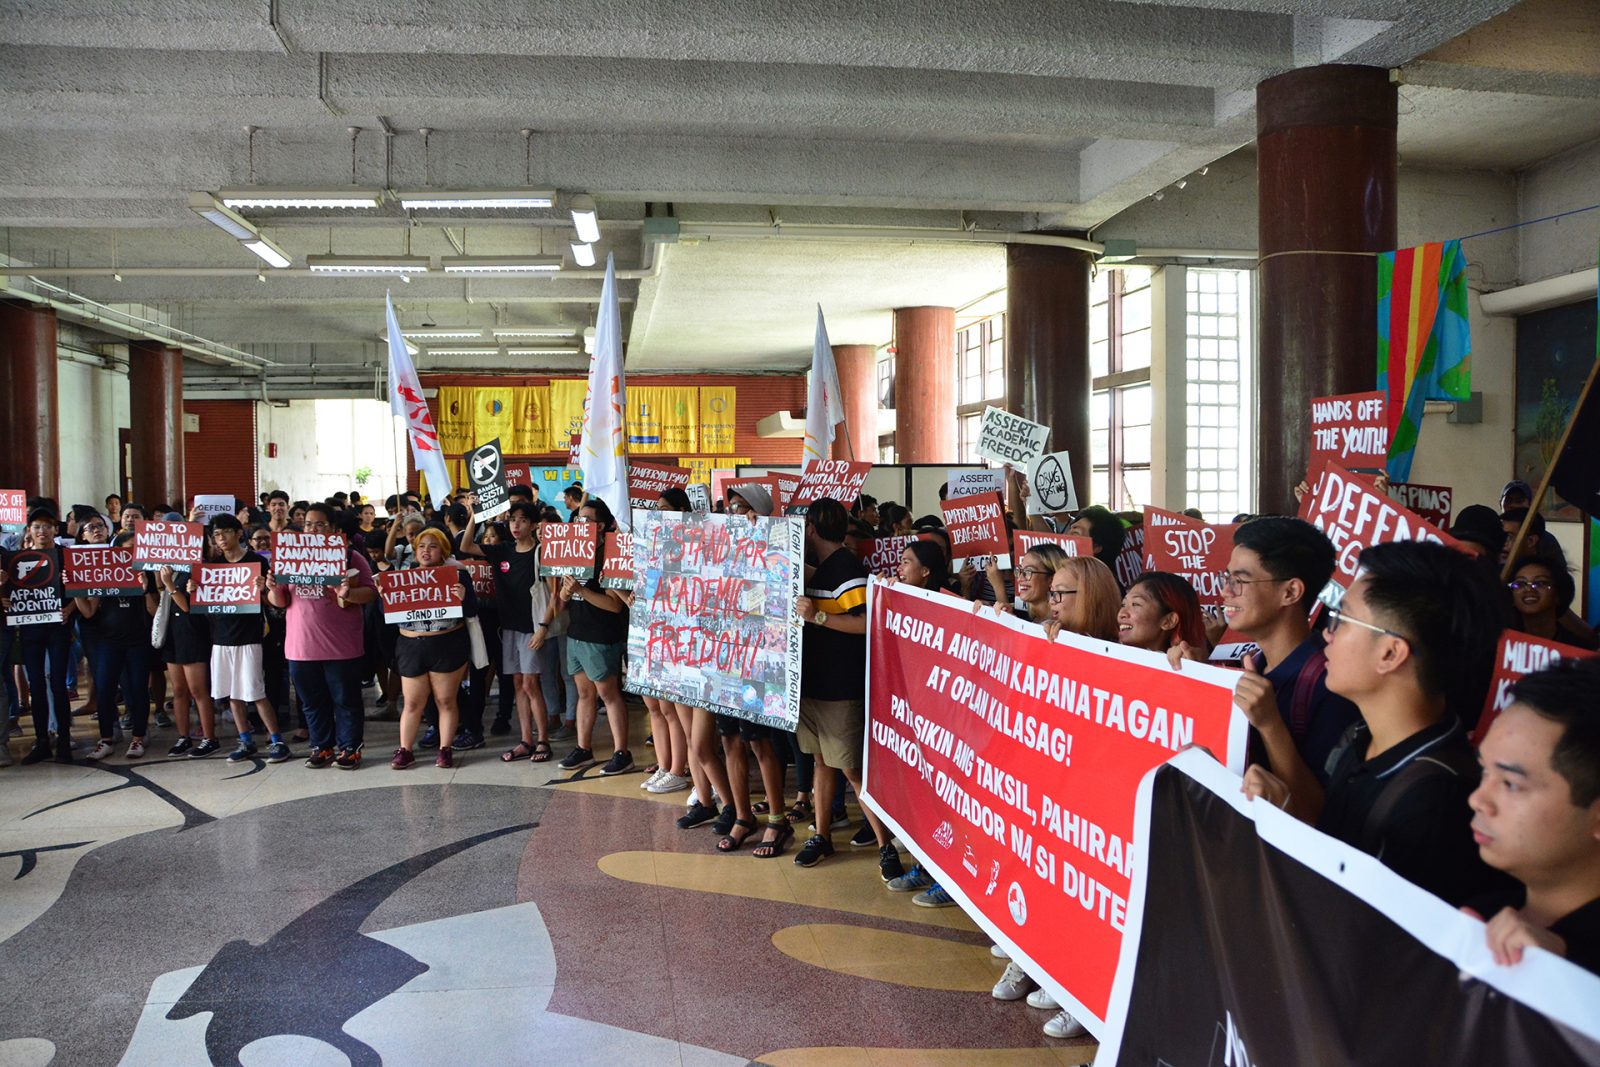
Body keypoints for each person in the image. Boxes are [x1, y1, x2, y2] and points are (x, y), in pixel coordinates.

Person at [1246, 541, 1508, 907]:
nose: (1326, 634)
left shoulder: (1433, 803)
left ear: (1390, 653)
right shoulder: (1361, 736)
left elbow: (1351, 923)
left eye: (1340, 619)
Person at [791, 498, 902, 882]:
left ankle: (885, 845)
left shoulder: (847, 569)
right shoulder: (823, 567)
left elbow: (867, 622)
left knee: (853, 770)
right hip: (814, 685)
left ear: (813, 529)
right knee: (822, 762)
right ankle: (822, 835)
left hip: (840, 689)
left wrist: (818, 616)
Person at [1466, 658, 1600, 975]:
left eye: (1511, 784)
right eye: (1484, 771)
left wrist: (1569, 980)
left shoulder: (1581, 972)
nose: (1477, 799)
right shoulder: (1478, 913)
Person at [1218, 517, 1358, 797]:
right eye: (1227, 578)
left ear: (1291, 592)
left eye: (1240, 581)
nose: (1226, 591)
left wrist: (1270, 724)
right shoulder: (1253, 664)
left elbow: (1317, 811)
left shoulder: (1330, 684)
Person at [266, 503, 377, 769]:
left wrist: (348, 593)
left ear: (333, 529)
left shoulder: (349, 556)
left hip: (342, 646)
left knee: (346, 700)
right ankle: (321, 746)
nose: (313, 529)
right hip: (301, 646)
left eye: (320, 524)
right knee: (311, 702)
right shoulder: (289, 557)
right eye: (308, 524)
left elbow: (370, 593)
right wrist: (273, 588)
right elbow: (280, 601)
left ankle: (350, 748)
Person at [181, 514, 288, 763]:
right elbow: (202, 604)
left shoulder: (257, 562)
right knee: (232, 694)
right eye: (217, 535)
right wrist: (193, 590)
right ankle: (245, 740)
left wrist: (263, 590)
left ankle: (277, 740)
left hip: (249, 636)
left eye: (226, 533)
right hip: (220, 637)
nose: (221, 539)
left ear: (239, 533)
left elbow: (271, 603)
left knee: (255, 691)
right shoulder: (212, 566)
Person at [461, 501, 554, 763]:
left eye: (523, 520)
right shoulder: (503, 550)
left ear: (533, 525)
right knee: (517, 684)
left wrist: (543, 628)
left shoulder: (541, 553)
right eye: (513, 519)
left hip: (532, 627)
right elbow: (466, 546)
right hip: (509, 627)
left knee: (531, 684)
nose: (516, 525)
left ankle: (543, 740)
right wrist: (475, 516)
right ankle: (525, 740)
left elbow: (554, 595)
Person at [552, 498, 632, 774]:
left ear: (600, 526)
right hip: (576, 633)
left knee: (608, 694)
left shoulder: (609, 555)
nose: (580, 524)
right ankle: (583, 748)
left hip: (601, 635)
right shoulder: (573, 553)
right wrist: (567, 590)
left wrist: (581, 591)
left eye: (586, 520)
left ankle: (622, 752)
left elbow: (615, 605)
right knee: (584, 693)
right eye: (577, 519)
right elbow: (562, 601)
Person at [388, 528, 478, 770]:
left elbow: (472, 610)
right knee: (412, 703)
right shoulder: (403, 577)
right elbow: (390, 615)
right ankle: (405, 750)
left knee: (446, 700)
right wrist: (385, 596)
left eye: (432, 546)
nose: (426, 551)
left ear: (443, 551)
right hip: (411, 646)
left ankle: (445, 749)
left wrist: (463, 597)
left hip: (447, 644)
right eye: (421, 546)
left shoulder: (458, 575)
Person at [4, 510, 77, 764]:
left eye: (47, 526)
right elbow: (9, 594)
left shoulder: (65, 556)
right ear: (29, 530)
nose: (42, 531)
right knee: (35, 685)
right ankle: (42, 741)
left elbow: (81, 588)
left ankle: (64, 740)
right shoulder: (18, 559)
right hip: (30, 629)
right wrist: (5, 598)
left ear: (55, 529)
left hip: (58, 627)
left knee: (58, 684)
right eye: (36, 526)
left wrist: (70, 608)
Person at [76, 531, 156, 759]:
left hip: (138, 641)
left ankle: (138, 737)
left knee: (138, 688)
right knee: (104, 688)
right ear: (116, 550)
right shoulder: (105, 572)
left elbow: (154, 611)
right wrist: (75, 591)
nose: (132, 552)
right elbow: (88, 612)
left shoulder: (146, 572)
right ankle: (106, 739)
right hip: (108, 641)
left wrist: (145, 589)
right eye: (128, 547)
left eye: (136, 548)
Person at [1506, 557, 1598, 651]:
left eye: (1540, 583)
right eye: (1520, 584)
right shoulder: (1502, 643)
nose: (1529, 589)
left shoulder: (1579, 649)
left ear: (1558, 594)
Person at [1117, 571, 1208, 654]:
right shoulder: (1112, 656)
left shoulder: (1185, 665)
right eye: (1123, 605)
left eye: (1135, 604)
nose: (1121, 614)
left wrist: (1187, 664)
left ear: (1168, 621)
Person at [1042, 556, 1120, 644]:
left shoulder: (1121, 649)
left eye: (1060, 592)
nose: (1051, 601)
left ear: (1090, 598)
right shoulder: (1046, 632)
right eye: (1052, 592)